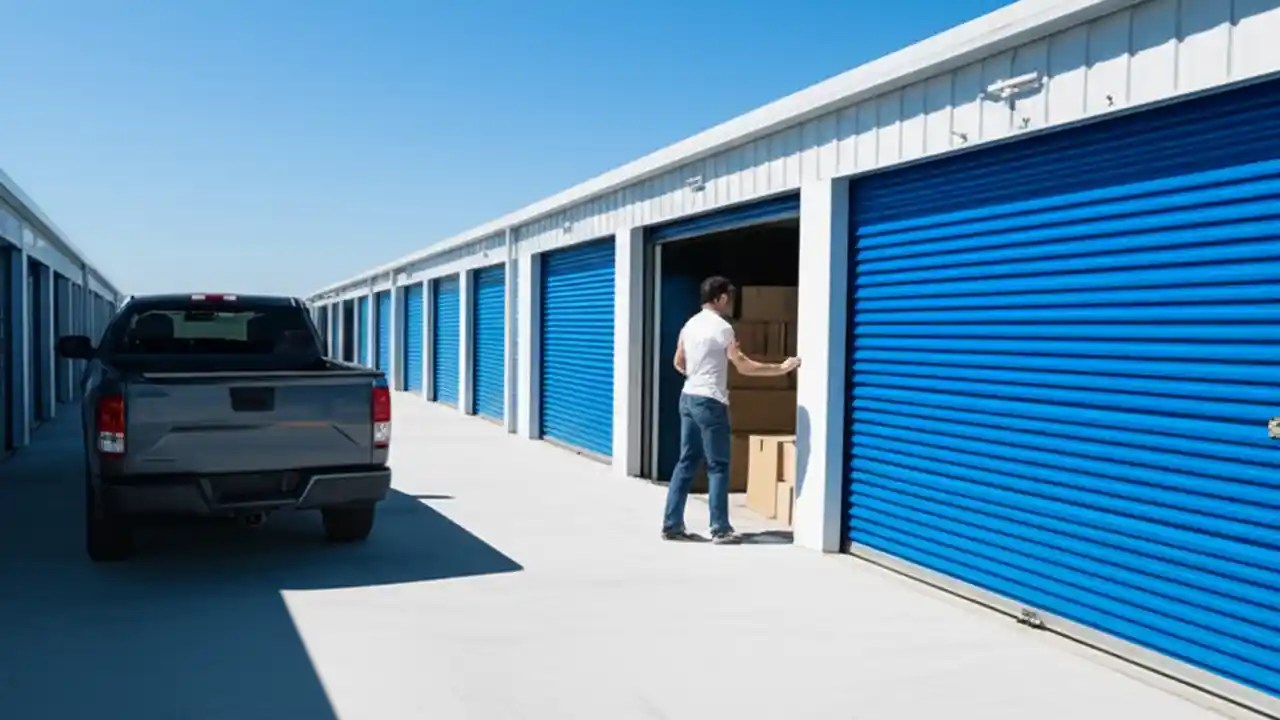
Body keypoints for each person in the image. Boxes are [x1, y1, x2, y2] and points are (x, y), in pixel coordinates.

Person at [662, 276, 801, 544]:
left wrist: (696, 375)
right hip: (711, 401)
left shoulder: (689, 324)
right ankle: (720, 529)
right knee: (718, 465)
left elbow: (678, 362)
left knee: (687, 461)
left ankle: (672, 524)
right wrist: (780, 369)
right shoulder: (723, 328)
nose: (732, 303)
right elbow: (743, 365)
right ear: (721, 298)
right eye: (730, 297)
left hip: (688, 397)